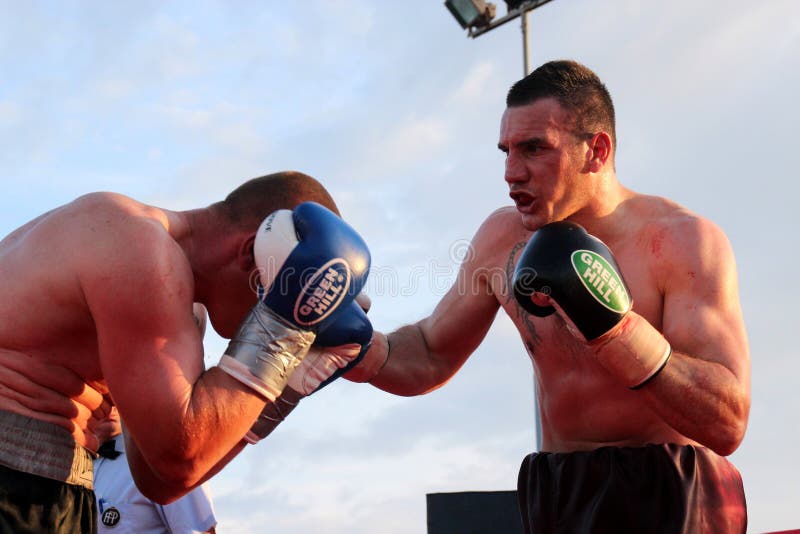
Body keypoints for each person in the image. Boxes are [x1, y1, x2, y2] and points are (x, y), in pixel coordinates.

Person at [346, 60, 750, 533]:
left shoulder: (682, 242)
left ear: (596, 151)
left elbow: (726, 422)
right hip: (559, 487)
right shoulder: (501, 239)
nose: (511, 173)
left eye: (534, 149)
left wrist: (618, 331)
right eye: (507, 151)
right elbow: (432, 351)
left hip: (669, 486)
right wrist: (355, 344)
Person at [0, 171, 372, 533]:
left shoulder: (171, 300)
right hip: (15, 480)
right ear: (250, 254)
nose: (264, 312)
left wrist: (288, 383)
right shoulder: (139, 248)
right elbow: (180, 460)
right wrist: (286, 329)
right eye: (277, 293)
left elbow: (160, 480)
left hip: (39, 484)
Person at [92, 304, 216, 534]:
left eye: (115, 392)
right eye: (102, 394)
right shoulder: (74, 469)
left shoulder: (163, 461)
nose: (110, 403)